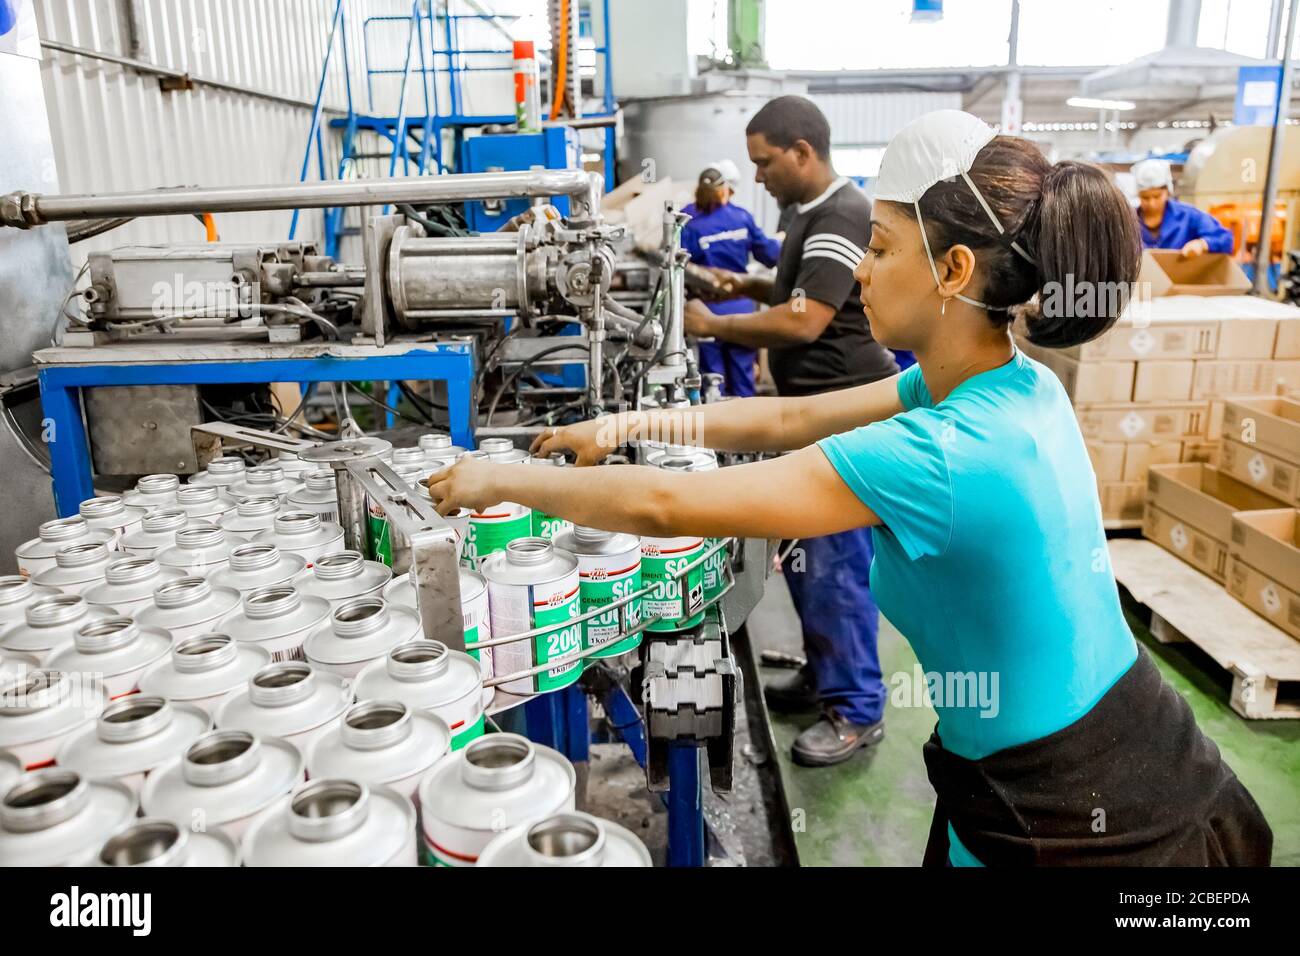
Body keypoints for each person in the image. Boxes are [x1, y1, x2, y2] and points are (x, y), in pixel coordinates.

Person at [427, 109, 1271, 866]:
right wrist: (624, 429)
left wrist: (496, 478)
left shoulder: (942, 450)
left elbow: (667, 506)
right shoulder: (1004, 382)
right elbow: (789, 421)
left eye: (882, 247)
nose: (860, 272)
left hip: (1086, 821)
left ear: (956, 269)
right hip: (1099, 753)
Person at [689, 96, 899, 767]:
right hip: (812, 410)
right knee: (808, 563)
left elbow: (807, 319)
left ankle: (857, 708)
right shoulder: (804, 212)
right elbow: (795, 290)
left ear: (802, 152)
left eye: (766, 163)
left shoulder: (842, 212)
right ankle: (825, 674)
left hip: (840, 408)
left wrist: (715, 325)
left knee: (835, 566)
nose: (760, 178)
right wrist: (744, 285)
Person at [680, 160, 782, 398]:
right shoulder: (741, 217)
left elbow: (680, 265)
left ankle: (716, 430)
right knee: (743, 377)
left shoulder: (686, 219)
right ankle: (747, 431)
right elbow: (769, 256)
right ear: (725, 189)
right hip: (741, 310)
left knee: (712, 380)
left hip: (705, 312)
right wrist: (782, 241)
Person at [1132, 158, 1233, 256]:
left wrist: (1202, 244)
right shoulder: (1130, 221)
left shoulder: (1188, 216)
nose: (1152, 203)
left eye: (1157, 196)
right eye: (1145, 198)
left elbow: (1225, 238)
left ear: (1168, 191)